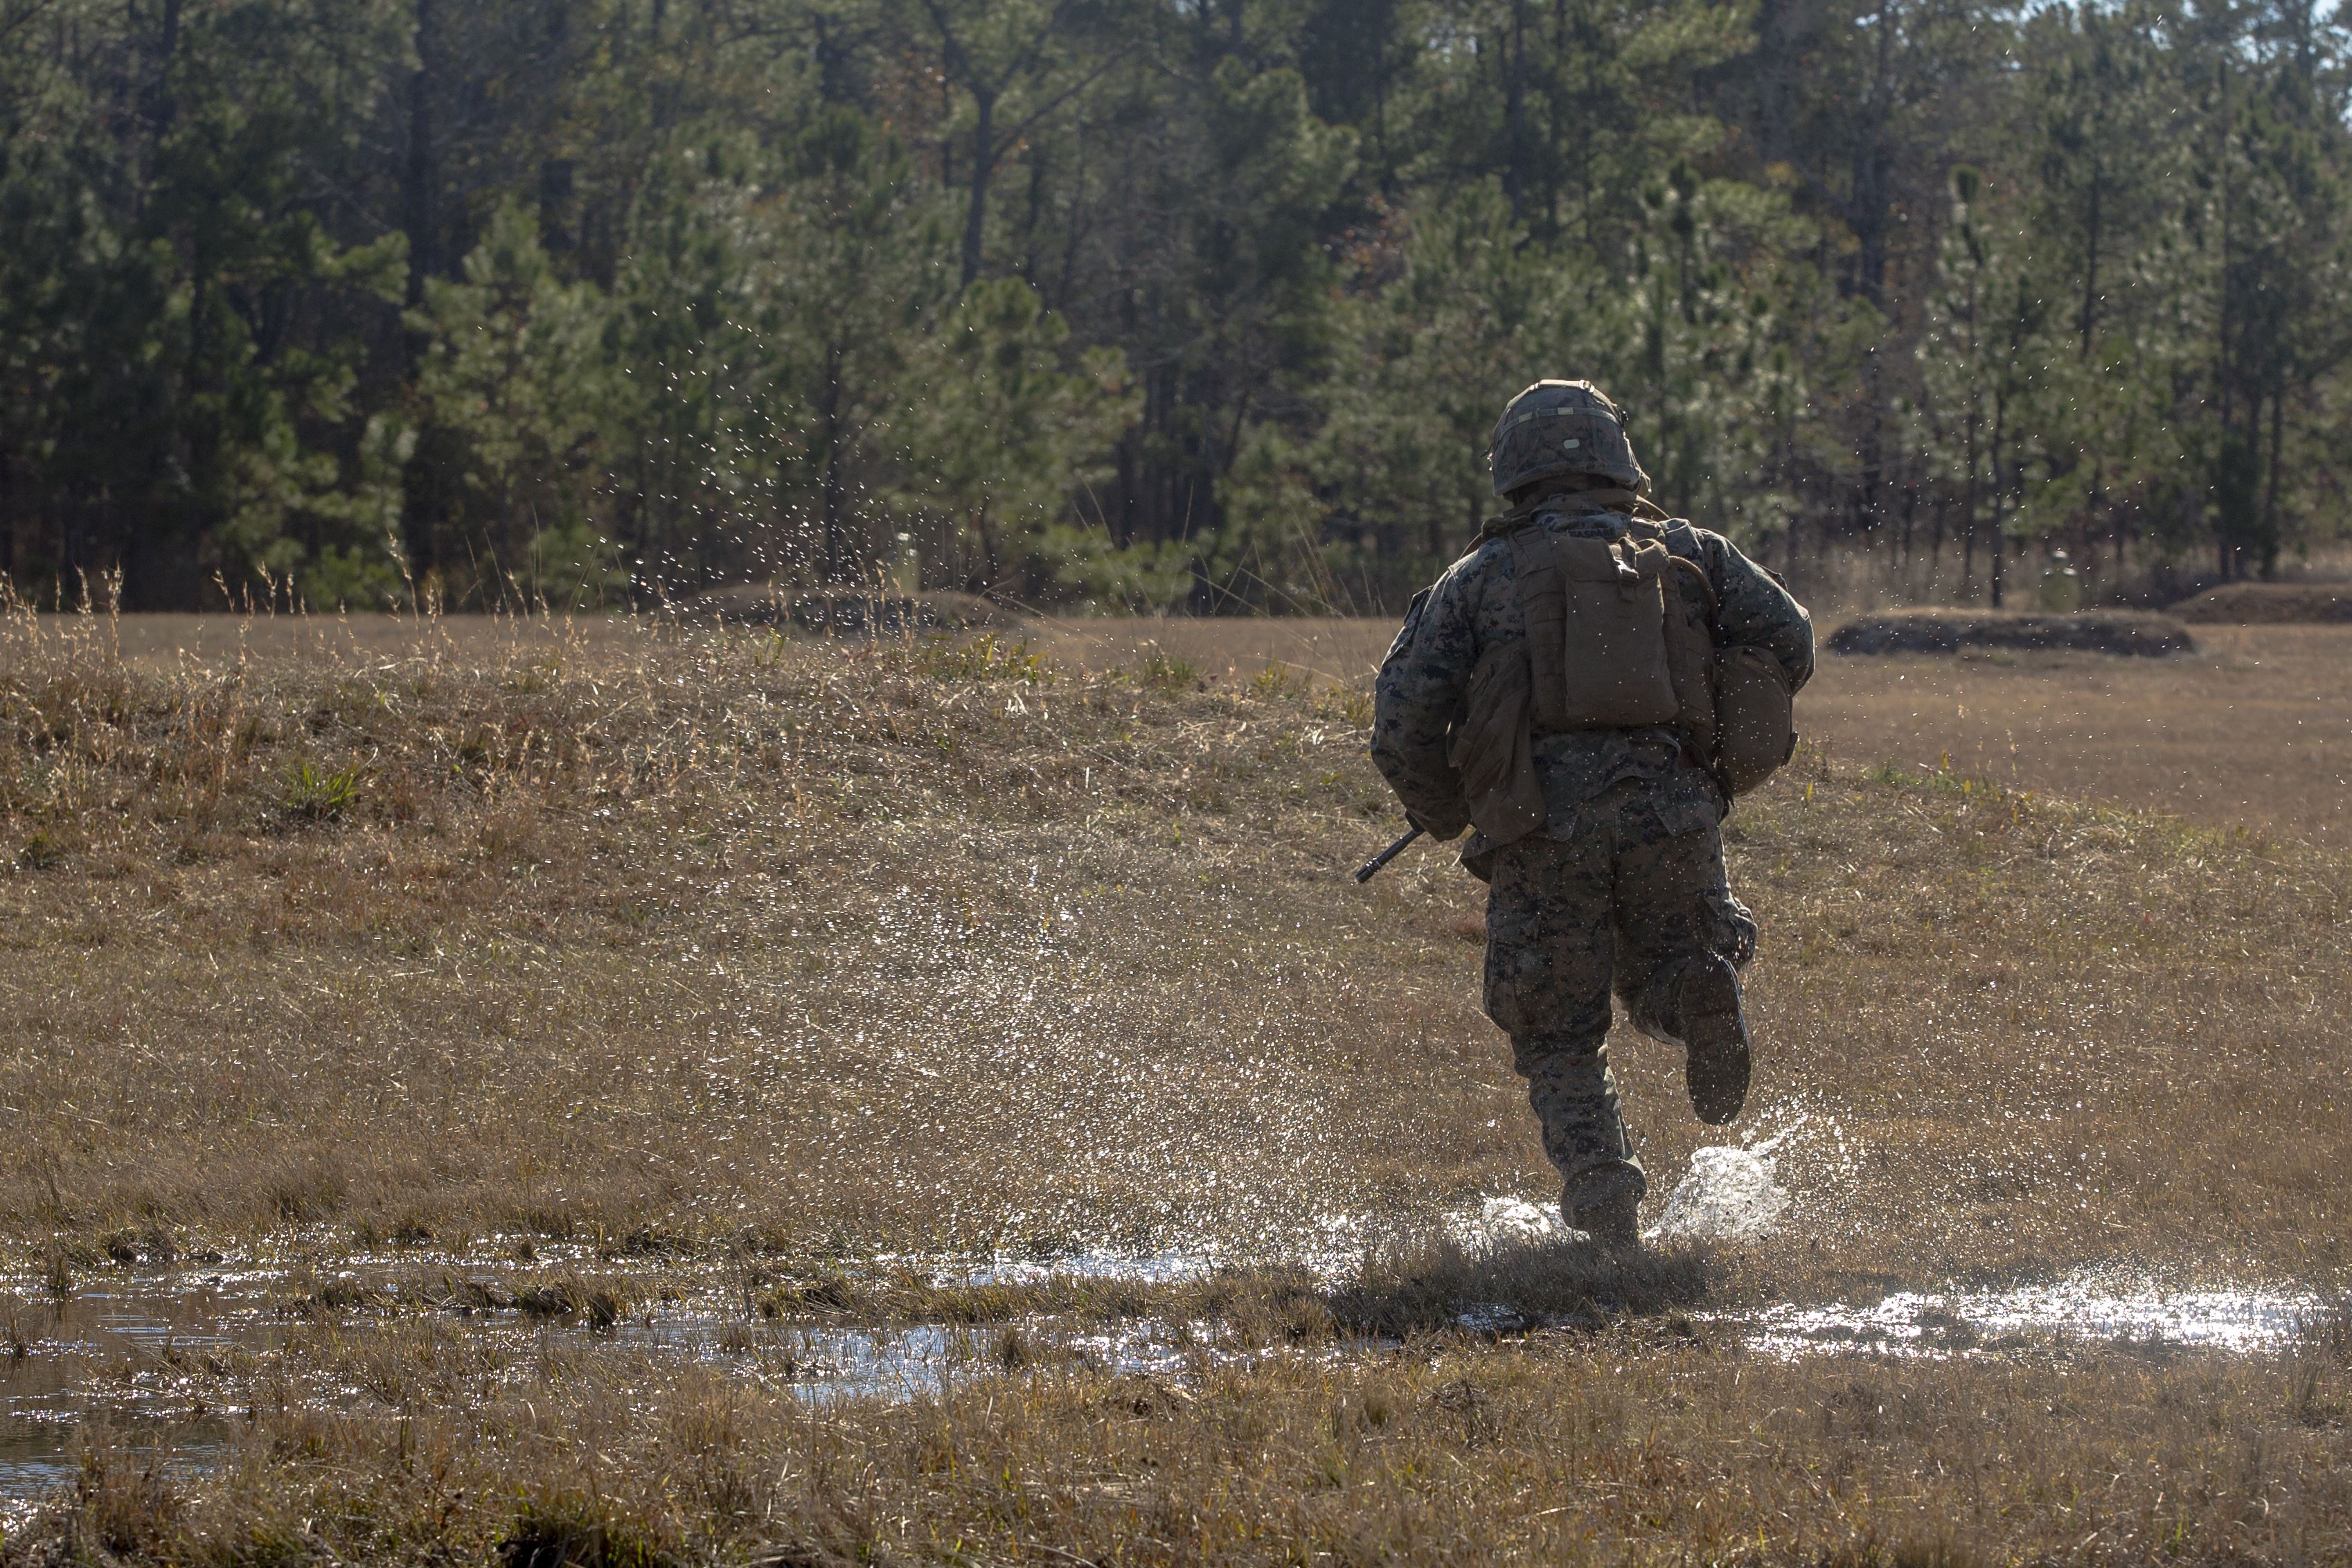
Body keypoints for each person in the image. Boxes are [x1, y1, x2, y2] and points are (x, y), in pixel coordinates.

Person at [1371, 380, 1814, 1243]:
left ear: (1513, 470)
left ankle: (1605, 1193)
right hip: (1677, 813)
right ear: (1617, 458)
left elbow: (1402, 719)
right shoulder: (1689, 553)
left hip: (1542, 829)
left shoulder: (1479, 577)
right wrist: (1721, 737)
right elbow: (1788, 636)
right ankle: (1696, 990)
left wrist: (1445, 808)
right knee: (1664, 963)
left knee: (1557, 1027)